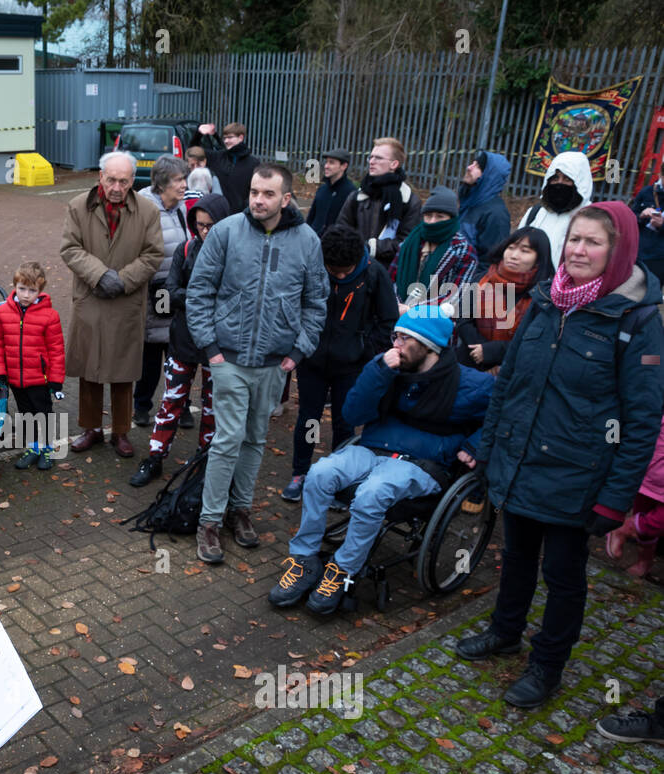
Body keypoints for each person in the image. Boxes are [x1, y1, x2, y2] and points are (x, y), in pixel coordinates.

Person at [461, 202, 664, 709]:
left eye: (593, 242)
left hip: (578, 479)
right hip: (521, 461)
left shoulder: (636, 320)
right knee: (516, 556)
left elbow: (641, 421)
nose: (578, 250)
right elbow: (507, 385)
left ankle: (546, 667)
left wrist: (615, 501)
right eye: (574, 238)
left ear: (618, 251)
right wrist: (488, 453)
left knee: (564, 576)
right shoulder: (548, 301)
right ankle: (504, 631)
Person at [270, 303, 494, 613]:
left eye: (405, 339)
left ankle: (344, 569)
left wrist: (476, 445)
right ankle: (305, 557)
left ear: (429, 346)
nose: (396, 345)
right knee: (320, 474)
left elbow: (505, 416)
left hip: (423, 463)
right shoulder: (384, 367)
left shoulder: (472, 384)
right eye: (395, 336)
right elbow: (352, 414)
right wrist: (379, 374)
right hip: (374, 447)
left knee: (374, 491)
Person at [186, 164, 328, 561]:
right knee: (228, 440)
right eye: (253, 192)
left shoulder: (306, 241)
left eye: (267, 194)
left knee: (255, 439)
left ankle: (240, 510)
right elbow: (199, 292)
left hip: (274, 364)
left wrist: (296, 353)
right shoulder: (227, 232)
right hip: (228, 358)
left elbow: (316, 302)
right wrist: (211, 349)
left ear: (286, 199)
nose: (258, 201)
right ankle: (209, 521)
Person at [281, 223, 399, 503]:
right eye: (336, 271)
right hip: (313, 361)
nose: (342, 276)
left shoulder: (374, 274)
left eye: (347, 270)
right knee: (309, 419)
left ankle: (338, 480)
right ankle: (300, 473)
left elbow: (388, 321)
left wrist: (363, 349)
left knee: (344, 424)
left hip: (352, 367)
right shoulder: (313, 269)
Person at [61, 151, 164, 459]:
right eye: (111, 179)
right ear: (100, 177)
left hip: (126, 301)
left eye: (123, 180)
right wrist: (99, 275)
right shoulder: (78, 206)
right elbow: (70, 248)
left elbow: (153, 254)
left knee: (123, 371)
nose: (117, 187)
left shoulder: (148, 210)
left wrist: (122, 279)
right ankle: (90, 428)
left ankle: (120, 431)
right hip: (90, 298)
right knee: (89, 369)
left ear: (132, 181)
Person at [129, 193, 232, 487]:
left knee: (214, 406)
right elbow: (170, 293)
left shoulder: (235, 256)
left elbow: (235, 299)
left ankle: (205, 460)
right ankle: (155, 457)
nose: (205, 230)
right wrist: (203, 298)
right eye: (200, 224)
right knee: (171, 402)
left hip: (219, 346)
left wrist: (195, 298)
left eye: (211, 225)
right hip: (183, 341)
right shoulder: (186, 250)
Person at [0, 261, 65, 470]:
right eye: (22, 288)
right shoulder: (2, 313)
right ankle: (33, 448)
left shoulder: (50, 316)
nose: (26, 294)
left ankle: (47, 449)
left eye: (32, 290)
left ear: (40, 291)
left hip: (39, 378)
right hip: (15, 378)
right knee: (25, 414)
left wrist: (56, 381)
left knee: (43, 414)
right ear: (15, 286)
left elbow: (56, 350)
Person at [134, 155, 191, 429]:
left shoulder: (182, 208)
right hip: (151, 293)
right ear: (162, 183)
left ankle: (180, 404)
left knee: (178, 354)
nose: (183, 185)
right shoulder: (143, 208)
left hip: (176, 293)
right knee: (149, 356)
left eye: (184, 179)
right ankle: (141, 405)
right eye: (178, 180)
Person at [454, 227, 553, 372]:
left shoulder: (545, 295)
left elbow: (536, 340)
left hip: (513, 369)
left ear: (539, 259)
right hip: (470, 360)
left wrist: (493, 353)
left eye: (525, 251)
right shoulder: (481, 279)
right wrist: (481, 352)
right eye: (511, 248)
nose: (514, 255)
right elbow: (463, 320)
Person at [336, 137, 423, 268]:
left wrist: (371, 247)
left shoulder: (409, 201)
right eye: (370, 157)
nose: (371, 162)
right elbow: (341, 230)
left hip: (389, 272)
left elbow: (407, 243)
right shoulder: (358, 196)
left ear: (394, 164)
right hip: (354, 268)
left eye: (378, 158)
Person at [390, 186, 481, 309]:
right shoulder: (409, 243)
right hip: (395, 311)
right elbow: (390, 279)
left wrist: (412, 309)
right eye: (428, 215)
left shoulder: (464, 252)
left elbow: (456, 295)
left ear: (451, 218)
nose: (432, 221)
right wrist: (395, 305)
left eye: (440, 216)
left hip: (434, 319)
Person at [605, 412, 664, 578]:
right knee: (644, 514)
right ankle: (644, 561)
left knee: (651, 521)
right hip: (651, 473)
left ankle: (626, 528)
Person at [517, 150, 592, 270]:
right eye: (555, 178)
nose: (559, 183)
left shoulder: (593, 218)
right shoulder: (535, 214)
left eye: (567, 179)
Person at [457, 150, 513, 260]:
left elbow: (490, 263)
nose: (469, 167)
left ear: (489, 175)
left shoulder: (496, 215)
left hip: (465, 276)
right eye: (472, 163)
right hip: (444, 273)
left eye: (477, 167)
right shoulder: (469, 202)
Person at [195, 121, 258, 214]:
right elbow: (193, 151)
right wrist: (199, 134)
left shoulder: (253, 163)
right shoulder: (218, 157)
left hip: (242, 216)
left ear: (241, 137)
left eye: (230, 137)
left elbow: (255, 190)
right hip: (219, 214)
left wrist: (246, 210)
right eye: (224, 138)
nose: (226, 141)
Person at [305, 148, 356, 236]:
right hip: (314, 241)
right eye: (326, 162)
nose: (326, 166)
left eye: (331, 162)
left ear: (344, 166)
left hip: (334, 244)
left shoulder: (351, 192)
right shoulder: (322, 189)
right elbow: (311, 217)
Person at [629, 168, 664, 285]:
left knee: (651, 292)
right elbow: (630, 218)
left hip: (660, 258)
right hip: (639, 252)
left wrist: (662, 225)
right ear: (660, 174)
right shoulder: (647, 192)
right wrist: (642, 216)